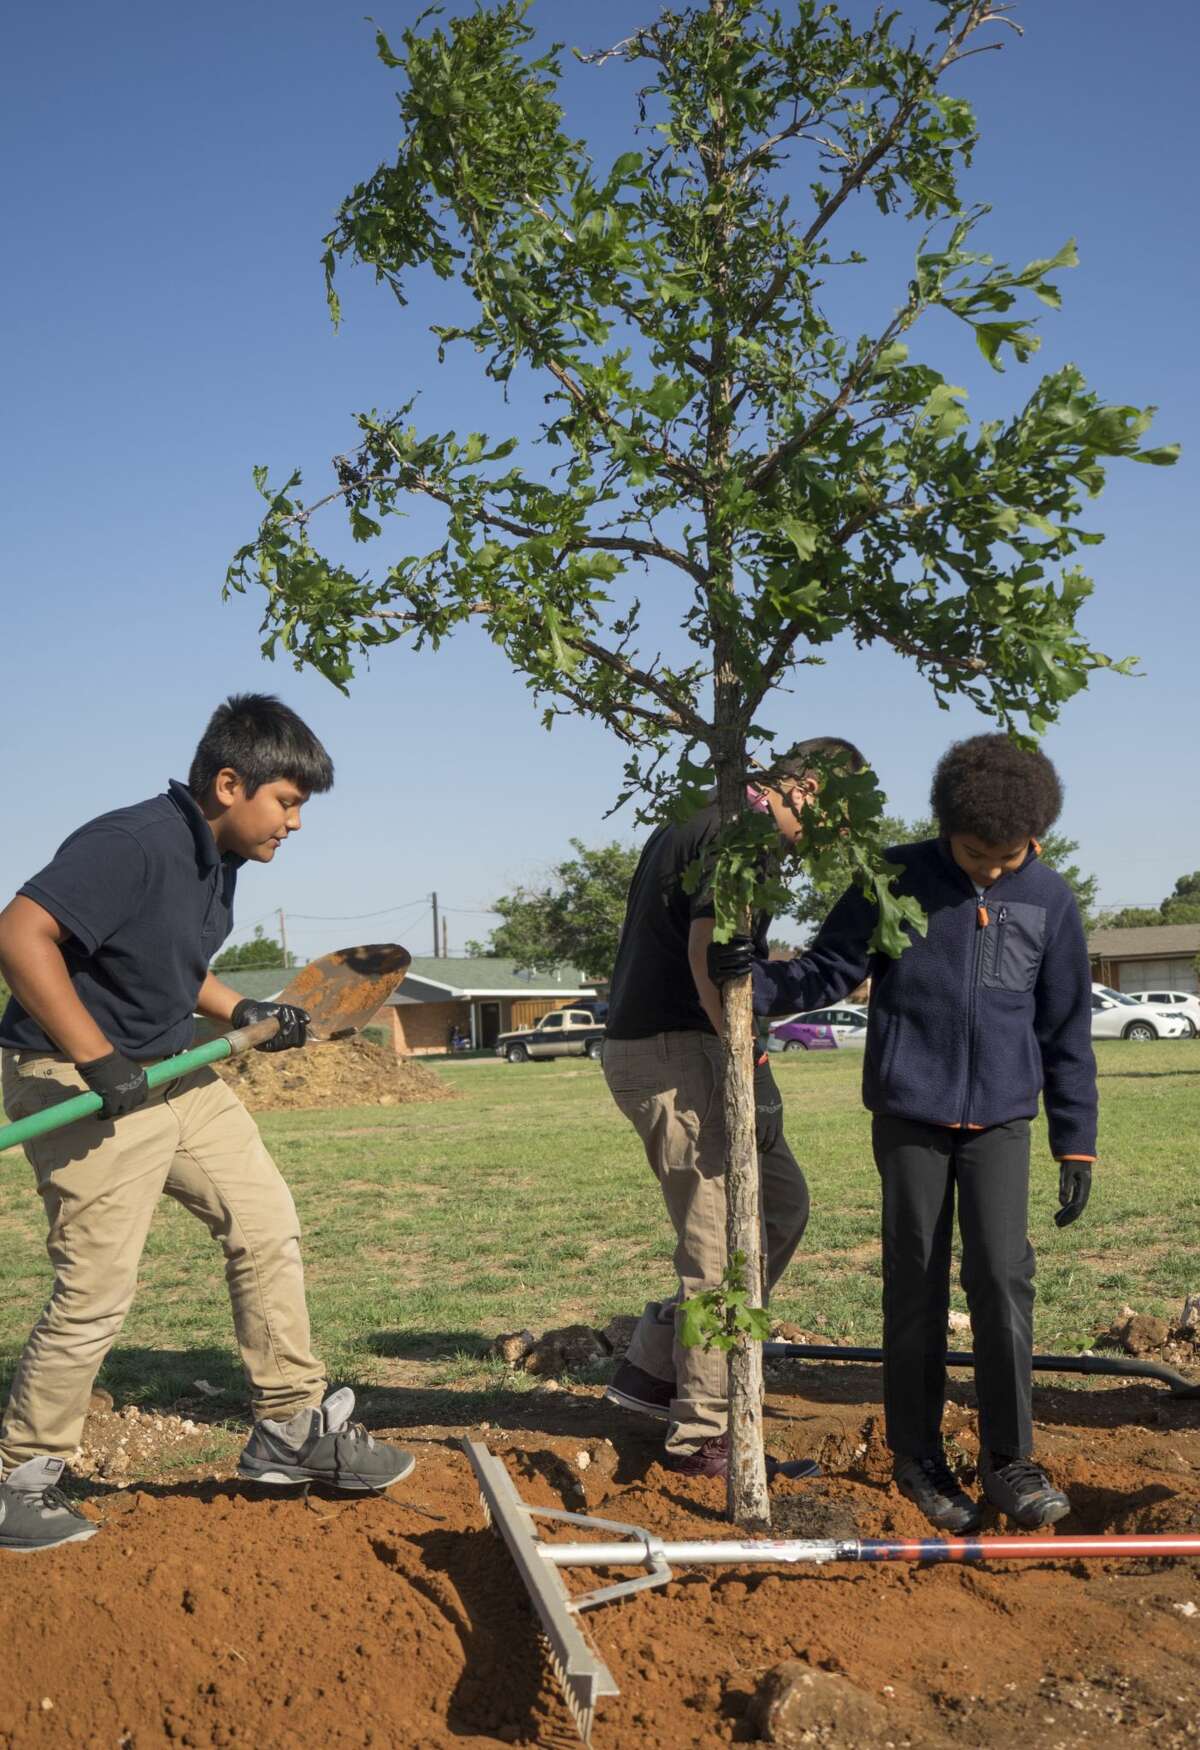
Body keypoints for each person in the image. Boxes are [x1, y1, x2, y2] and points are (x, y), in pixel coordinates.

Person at [0, 694, 415, 1554]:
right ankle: (19, 1477)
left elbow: (163, 970)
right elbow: (19, 934)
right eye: (288, 802)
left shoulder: (215, 862)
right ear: (230, 783)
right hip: (74, 1075)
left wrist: (240, 1008)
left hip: (172, 1071)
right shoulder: (132, 843)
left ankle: (290, 1428)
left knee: (264, 1224)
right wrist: (95, 1058)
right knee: (97, 1289)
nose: (296, 824)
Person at [713, 734, 1095, 1531]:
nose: (989, 868)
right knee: (914, 1283)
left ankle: (1009, 1460)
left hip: (1003, 1120)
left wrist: (1076, 1138)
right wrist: (758, 976)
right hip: (909, 1113)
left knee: (1001, 1278)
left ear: (1037, 837)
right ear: (946, 826)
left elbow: (1064, 1029)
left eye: (1006, 855)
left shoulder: (1052, 900)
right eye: (972, 852)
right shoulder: (889, 877)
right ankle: (918, 1457)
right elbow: (826, 969)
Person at [602, 737, 864, 1478]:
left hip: (686, 1043)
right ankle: (706, 1439)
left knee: (780, 1205)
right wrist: (748, 1055)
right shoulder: (733, 828)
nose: (837, 840)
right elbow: (704, 954)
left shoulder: (718, 816)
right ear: (809, 787)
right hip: (677, 1050)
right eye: (840, 819)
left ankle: (654, 1371)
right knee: (718, 1251)